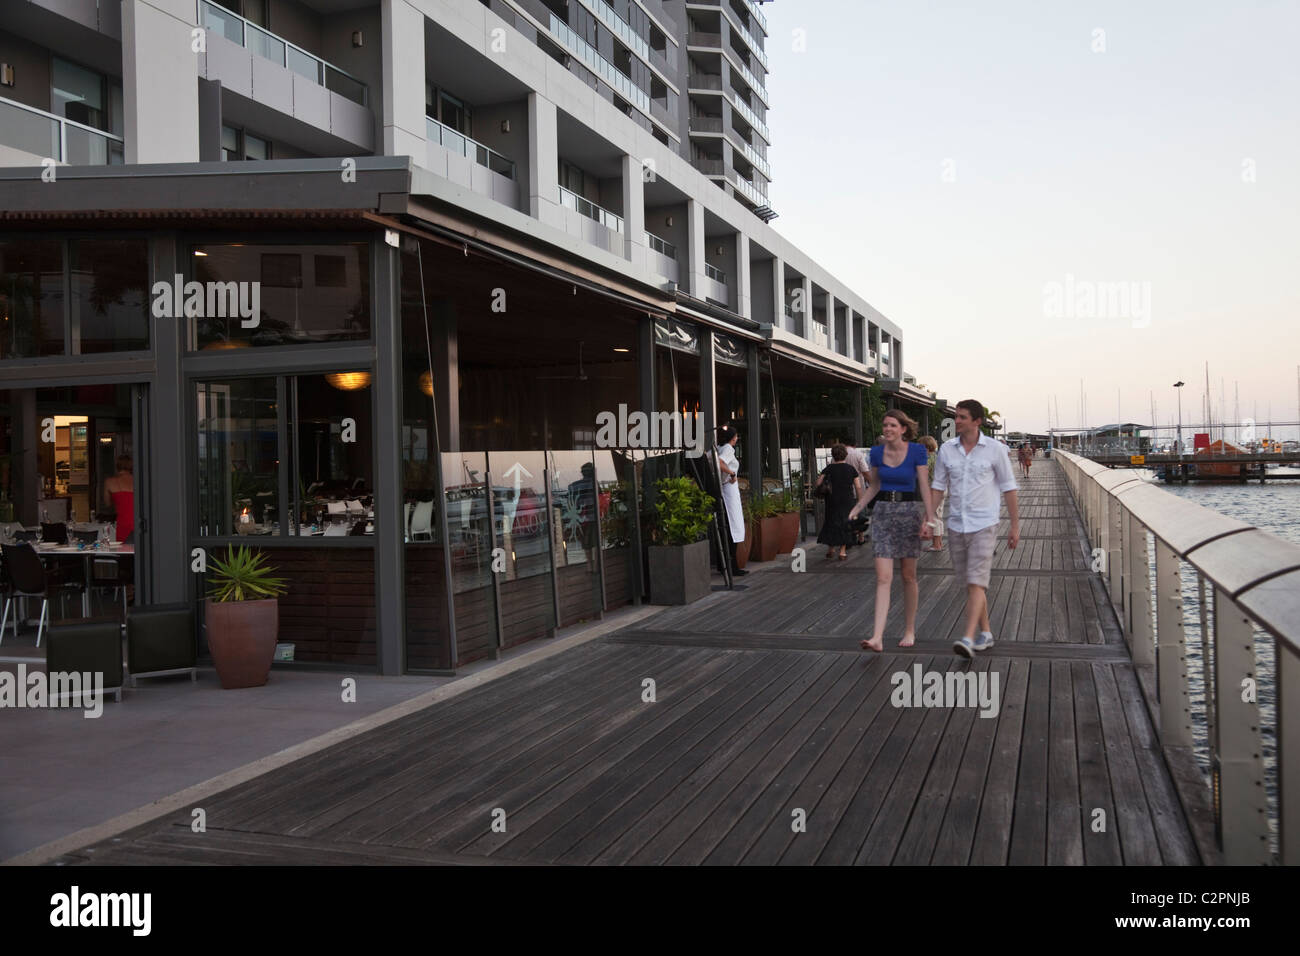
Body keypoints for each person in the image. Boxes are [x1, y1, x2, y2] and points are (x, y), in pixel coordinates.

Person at [929, 400, 1020, 659]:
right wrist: (928, 518)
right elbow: (938, 487)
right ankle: (987, 633)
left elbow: (1009, 488)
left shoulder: (994, 450)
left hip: (984, 524)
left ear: (977, 421)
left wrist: (1015, 526)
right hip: (956, 524)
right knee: (971, 585)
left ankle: (968, 638)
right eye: (956, 416)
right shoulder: (947, 449)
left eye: (962, 417)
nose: (956, 421)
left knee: (977, 579)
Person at [849, 410, 938, 650]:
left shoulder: (917, 451)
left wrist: (930, 520)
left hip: (909, 512)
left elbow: (924, 485)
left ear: (903, 429)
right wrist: (858, 507)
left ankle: (909, 629)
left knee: (908, 576)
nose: (887, 428)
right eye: (885, 424)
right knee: (883, 577)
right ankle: (877, 636)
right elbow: (875, 484)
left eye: (892, 425)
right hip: (883, 514)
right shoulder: (876, 452)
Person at [815, 444, 864, 561]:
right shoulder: (850, 469)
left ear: (833, 455)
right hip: (847, 500)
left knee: (831, 521)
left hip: (831, 500)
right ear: (845, 455)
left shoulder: (828, 468)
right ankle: (842, 552)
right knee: (845, 524)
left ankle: (831, 549)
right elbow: (858, 486)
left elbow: (818, 483)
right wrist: (860, 499)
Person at [715, 426, 747, 576]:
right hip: (728, 490)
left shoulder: (721, 447)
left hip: (727, 489)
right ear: (733, 437)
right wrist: (732, 473)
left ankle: (726, 565)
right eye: (736, 436)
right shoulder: (727, 448)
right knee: (733, 526)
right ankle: (732, 566)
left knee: (730, 526)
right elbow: (719, 462)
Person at [103, 454, 134, 543]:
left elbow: (107, 504)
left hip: (123, 523)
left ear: (117, 466)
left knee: (124, 551)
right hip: (138, 522)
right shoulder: (139, 480)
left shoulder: (109, 482)